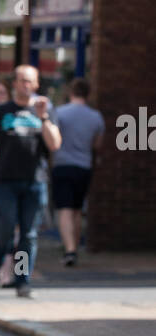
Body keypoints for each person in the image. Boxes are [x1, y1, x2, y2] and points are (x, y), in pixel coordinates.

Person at [0, 64, 62, 297]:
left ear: (36, 84)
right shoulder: (2, 110)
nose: (26, 85)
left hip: (34, 182)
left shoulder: (45, 110)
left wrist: (44, 117)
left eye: (30, 81)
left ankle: (22, 281)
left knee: (28, 234)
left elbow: (55, 144)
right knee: (5, 228)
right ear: (14, 84)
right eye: (21, 80)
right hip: (3, 180)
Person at [52, 79, 105, 266]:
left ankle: (69, 250)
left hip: (62, 165)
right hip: (84, 167)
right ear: (88, 94)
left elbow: (52, 139)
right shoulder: (96, 117)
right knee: (76, 210)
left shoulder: (59, 113)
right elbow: (97, 145)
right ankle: (73, 247)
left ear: (70, 92)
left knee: (64, 210)